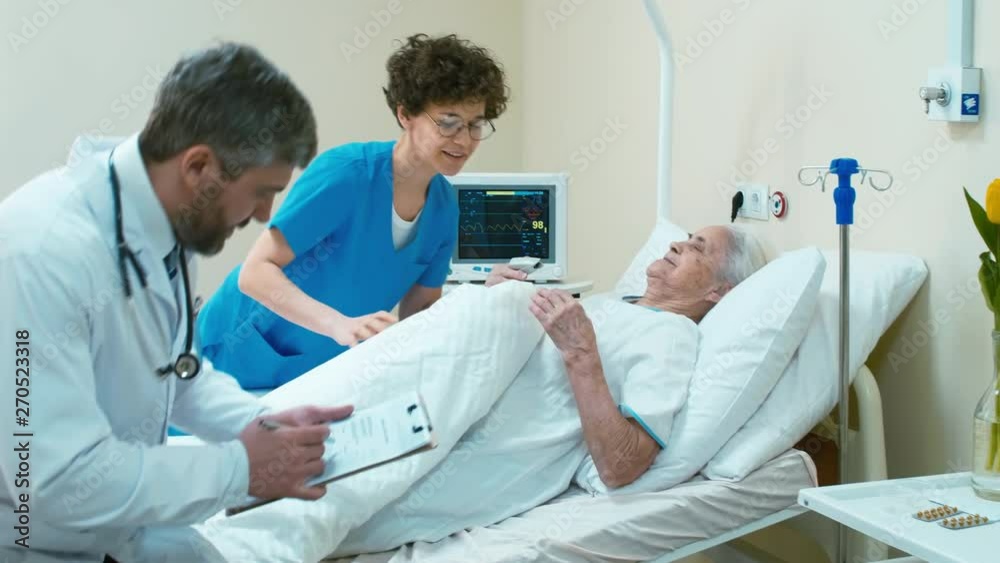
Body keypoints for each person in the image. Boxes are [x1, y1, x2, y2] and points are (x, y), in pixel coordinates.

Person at [192, 225, 768, 559]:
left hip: (473, 447)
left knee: (327, 474)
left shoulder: (670, 339)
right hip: (443, 390)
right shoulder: (610, 306)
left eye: (697, 248)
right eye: (684, 236)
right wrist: (487, 301)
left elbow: (621, 467)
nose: (676, 245)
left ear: (720, 290)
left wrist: (580, 353)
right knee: (309, 423)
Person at [0, 43, 353, 563]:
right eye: (261, 191)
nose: (263, 215)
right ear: (199, 167)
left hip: (120, 528)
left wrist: (259, 424)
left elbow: (176, 372)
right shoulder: (40, 251)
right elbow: (55, 479)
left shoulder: (170, 226)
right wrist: (242, 469)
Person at [196, 33, 511, 391]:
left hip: (321, 369)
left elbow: (420, 315)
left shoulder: (444, 208)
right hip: (233, 353)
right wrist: (338, 324)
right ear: (405, 113)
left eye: (475, 124)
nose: (465, 140)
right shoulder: (347, 174)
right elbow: (254, 273)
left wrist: (480, 300)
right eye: (449, 122)